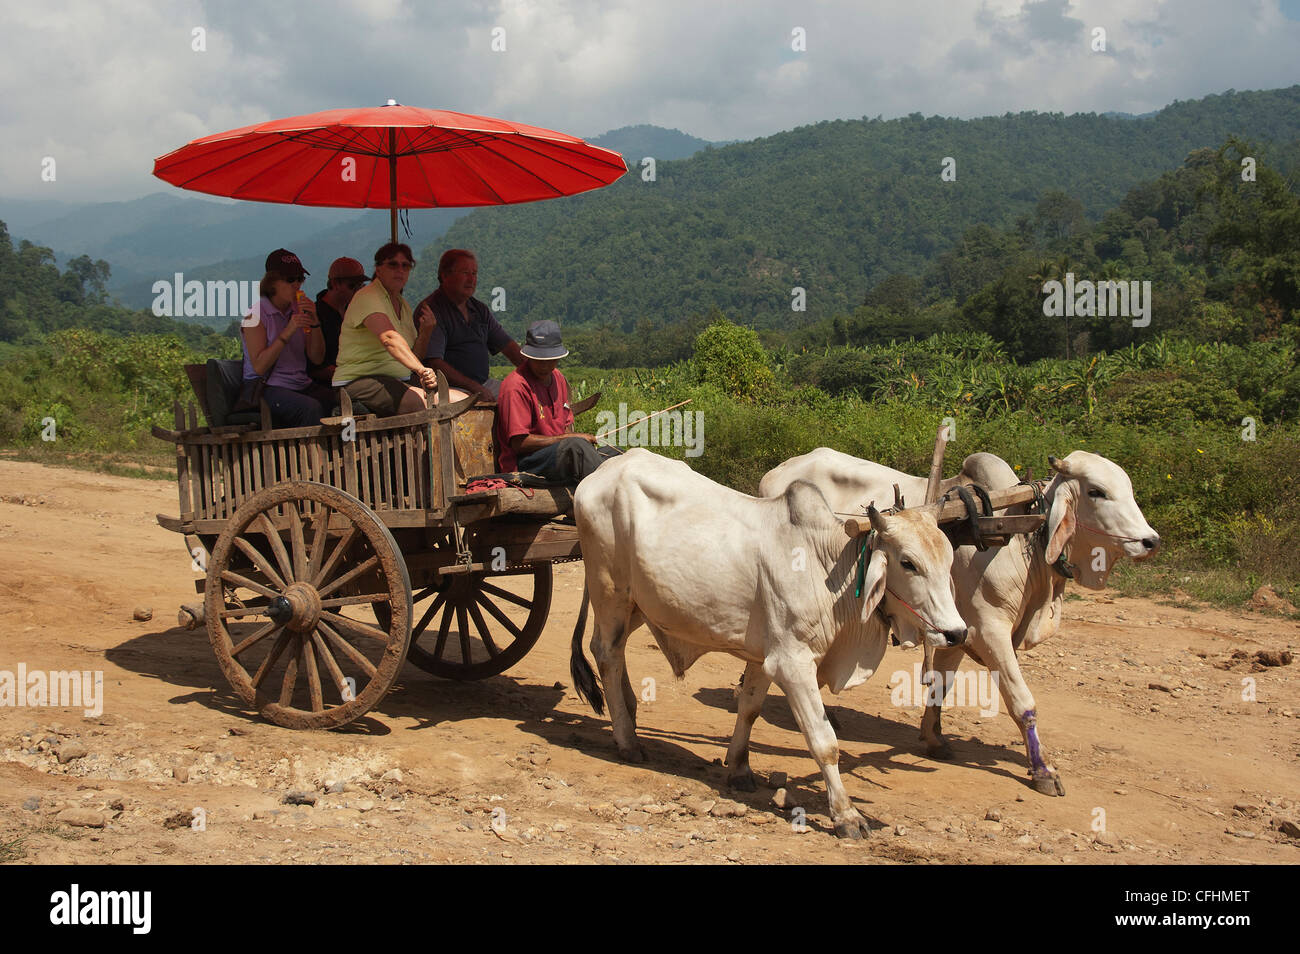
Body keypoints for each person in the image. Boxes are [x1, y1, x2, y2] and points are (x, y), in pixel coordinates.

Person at [496, 320, 620, 481]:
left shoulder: (559, 378)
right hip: (526, 463)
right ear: (528, 356)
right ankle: (605, 496)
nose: (545, 366)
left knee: (616, 453)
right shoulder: (516, 386)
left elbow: (565, 427)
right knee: (577, 447)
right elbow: (520, 444)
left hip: (557, 454)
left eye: (551, 360)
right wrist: (571, 439)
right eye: (539, 360)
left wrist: (573, 438)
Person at [333, 242, 438, 416]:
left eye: (406, 265)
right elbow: (389, 338)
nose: (400, 270)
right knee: (423, 402)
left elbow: (412, 357)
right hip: (359, 380)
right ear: (378, 269)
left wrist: (425, 332)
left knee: (457, 397)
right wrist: (421, 370)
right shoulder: (367, 297)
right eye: (392, 264)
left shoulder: (403, 304)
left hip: (396, 379)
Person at [240, 249, 335, 427]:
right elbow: (259, 366)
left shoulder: (299, 308)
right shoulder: (255, 315)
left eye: (300, 278)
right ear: (272, 283)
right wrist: (288, 330)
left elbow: (316, 357)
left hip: (300, 384)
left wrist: (315, 324)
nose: (297, 285)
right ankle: (312, 455)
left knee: (338, 401)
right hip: (267, 388)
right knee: (311, 408)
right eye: (290, 279)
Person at [415, 249, 524, 403]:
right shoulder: (432, 310)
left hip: (483, 384)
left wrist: (536, 371)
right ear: (445, 275)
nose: (471, 279)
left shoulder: (479, 310)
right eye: (465, 273)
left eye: (474, 273)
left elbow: (508, 346)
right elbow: (435, 363)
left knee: (522, 394)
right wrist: (475, 388)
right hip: (449, 388)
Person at [308, 257, 368, 386]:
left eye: (361, 286)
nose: (358, 290)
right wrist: (357, 375)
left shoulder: (356, 310)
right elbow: (316, 369)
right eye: (352, 286)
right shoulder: (316, 315)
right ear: (335, 284)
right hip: (332, 384)